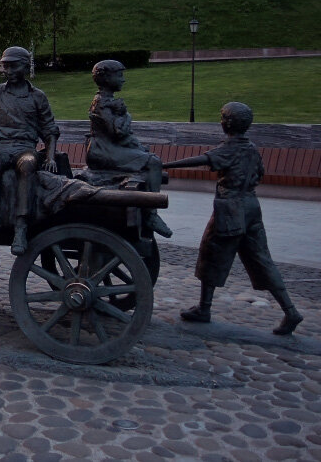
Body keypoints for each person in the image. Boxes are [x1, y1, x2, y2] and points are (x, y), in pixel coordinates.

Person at [163, 102, 302, 335]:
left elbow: (203, 159)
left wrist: (164, 164)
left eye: (222, 118)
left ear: (227, 123)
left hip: (230, 209)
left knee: (211, 254)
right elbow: (260, 173)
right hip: (251, 207)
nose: (220, 121)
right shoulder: (251, 148)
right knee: (262, 260)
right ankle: (290, 310)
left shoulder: (230, 148)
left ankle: (204, 309)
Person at [0, 47, 59, 257]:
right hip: (1, 148)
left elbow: (50, 130)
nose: (8, 70)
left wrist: (50, 156)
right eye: (5, 66)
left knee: (28, 164)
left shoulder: (37, 97)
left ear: (25, 66)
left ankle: (20, 229)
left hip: (25, 149)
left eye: (13, 66)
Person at [85, 59, 173, 238]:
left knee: (148, 156)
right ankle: (151, 215)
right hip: (102, 152)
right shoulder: (100, 103)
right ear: (107, 78)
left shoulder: (110, 102)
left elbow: (123, 136)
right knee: (154, 162)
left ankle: (149, 212)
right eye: (119, 75)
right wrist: (127, 115)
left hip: (109, 148)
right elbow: (118, 132)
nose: (123, 79)